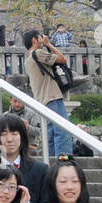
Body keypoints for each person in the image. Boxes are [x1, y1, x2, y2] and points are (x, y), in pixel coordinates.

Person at [23, 28, 73, 157]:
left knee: (50, 134)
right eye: (39, 37)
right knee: (62, 130)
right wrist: (49, 44)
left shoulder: (27, 58)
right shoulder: (38, 53)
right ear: (34, 40)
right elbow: (62, 59)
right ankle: (65, 160)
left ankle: (51, 161)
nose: (42, 39)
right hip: (52, 96)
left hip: (42, 100)